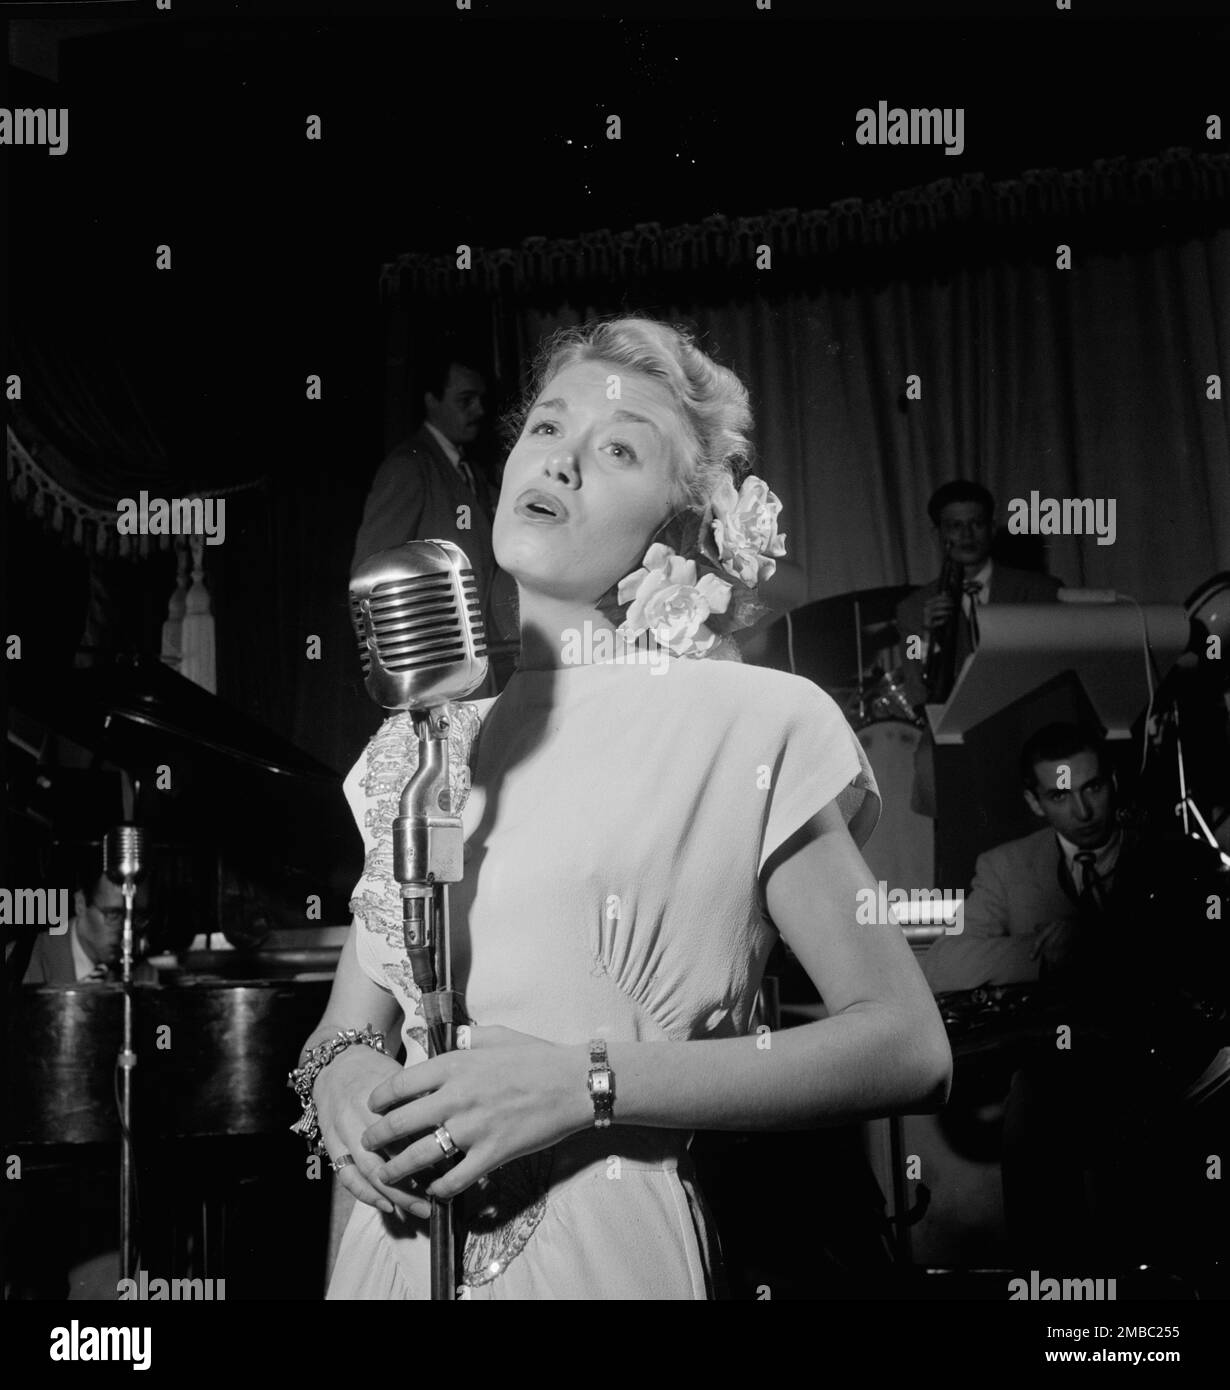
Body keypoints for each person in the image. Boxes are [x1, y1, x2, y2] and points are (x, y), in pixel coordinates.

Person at [300, 317, 952, 1300]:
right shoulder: (417, 743)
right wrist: (342, 1085)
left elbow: (908, 1047)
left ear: (675, 522)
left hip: (605, 1259)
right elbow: (345, 1029)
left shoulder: (745, 725)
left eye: (615, 448)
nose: (559, 458)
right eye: (547, 426)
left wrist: (586, 1084)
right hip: (386, 1260)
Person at [351, 340, 518, 686]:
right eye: (465, 400)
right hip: (435, 682)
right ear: (432, 401)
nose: (478, 410)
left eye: (480, 400)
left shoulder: (471, 471)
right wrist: (401, 679)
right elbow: (370, 579)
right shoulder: (409, 468)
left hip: (483, 674)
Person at [921, 722, 1120, 994]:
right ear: (1034, 802)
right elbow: (941, 965)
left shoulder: (1164, 853)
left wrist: (1093, 940)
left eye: (1093, 788)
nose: (1083, 811)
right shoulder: (1005, 866)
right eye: (1060, 796)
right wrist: (1045, 952)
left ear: (1114, 782)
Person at [23, 864, 153, 985]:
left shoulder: (146, 973)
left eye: (137, 917)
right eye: (113, 914)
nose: (126, 931)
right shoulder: (25, 962)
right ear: (80, 903)